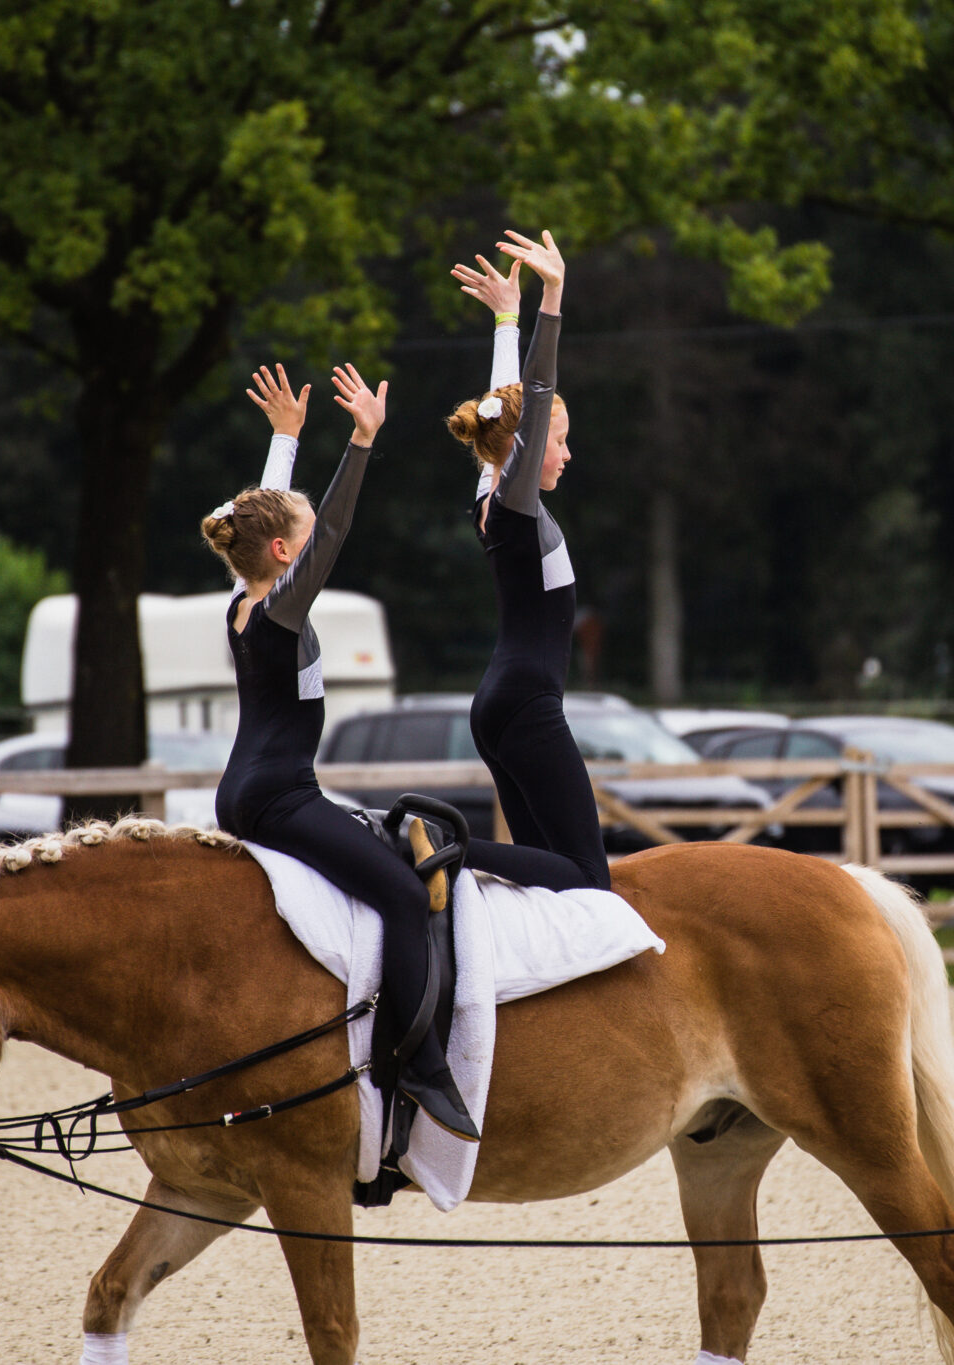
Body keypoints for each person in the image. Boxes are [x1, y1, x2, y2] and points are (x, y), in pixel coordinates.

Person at [207, 361, 477, 1142]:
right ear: (288, 555)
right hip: (279, 796)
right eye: (298, 537)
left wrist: (285, 441)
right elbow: (328, 530)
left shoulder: (245, 598)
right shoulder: (284, 609)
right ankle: (419, 1061)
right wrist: (360, 440)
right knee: (401, 892)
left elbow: (264, 530)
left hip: (251, 788)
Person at [444, 230, 610, 893]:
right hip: (525, 706)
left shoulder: (493, 486)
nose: (565, 454)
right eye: (558, 441)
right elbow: (532, 397)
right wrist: (554, 297)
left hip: (503, 700)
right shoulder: (512, 502)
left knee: (550, 884)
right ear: (522, 447)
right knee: (588, 878)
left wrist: (505, 320)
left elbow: (505, 405)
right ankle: (448, 850)